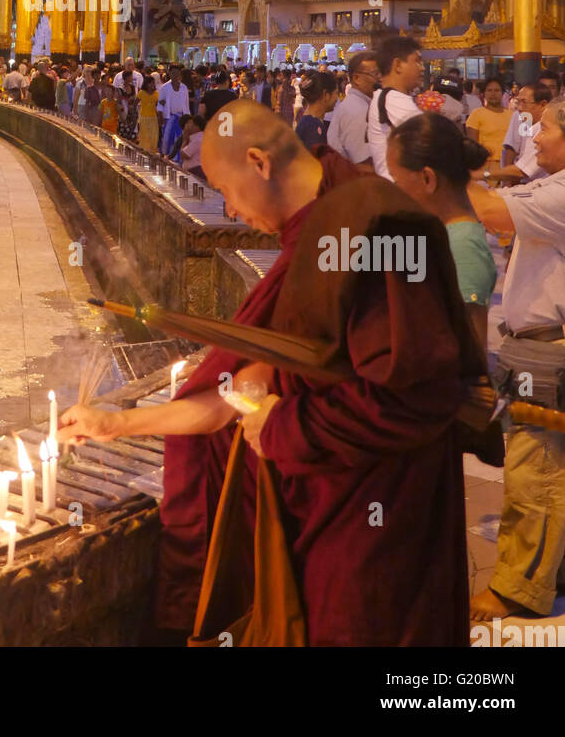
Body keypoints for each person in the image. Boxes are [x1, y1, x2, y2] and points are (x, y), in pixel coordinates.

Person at [60, 100, 482, 646]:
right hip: (318, 508)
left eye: (225, 189)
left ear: (258, 162)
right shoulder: (317, 233)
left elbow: (416, 401)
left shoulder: (374, 223)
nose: (230, 212)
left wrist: (283, 426)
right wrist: (114, 425)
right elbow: (240, 391)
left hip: (375, 523)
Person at [466, 98, 565, 622]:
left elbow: (488, 211)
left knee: (536, 469)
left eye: (544, 128)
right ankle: (553, 569)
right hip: (541, 344)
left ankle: (515, 591)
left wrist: (444, 167)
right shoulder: (554, 186)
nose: (535, 137)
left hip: (550, 350)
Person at [386, 113, 496, 348]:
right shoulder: (443, 234)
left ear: (428, 179)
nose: (393, 191)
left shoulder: (463, 246)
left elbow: (472, 352)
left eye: (396, 180)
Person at [367, 35, 423, 178]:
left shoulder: (387, 96)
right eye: (417, 61)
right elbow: (431, 139)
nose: (422, 68)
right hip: (400, 189)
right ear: (397, 65)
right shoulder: (393, 99)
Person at [326, 50, 378, 167]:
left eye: (382, 74)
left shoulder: (357, 105)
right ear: (356, 78)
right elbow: (363, 164)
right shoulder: (359, 111)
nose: (380, 79)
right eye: (375, 74)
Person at [498, 82, 550, 184]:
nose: (520, 108)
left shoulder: (546, 132)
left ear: (543, 105)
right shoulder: (526, 123)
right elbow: (510, 148)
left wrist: (484, 174)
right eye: (518, 102)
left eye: (524, 102)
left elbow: (521, 172)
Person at [465, 77, 511, 165]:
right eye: (489, 90)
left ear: (502, 93)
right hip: (486, 164)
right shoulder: (476, 114)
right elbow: (473, 146)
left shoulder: (512, 115)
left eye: (497, 90)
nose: (493, 94)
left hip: (508, 164)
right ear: (484, 94)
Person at [294, 70, 338, 149]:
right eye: (336, 93)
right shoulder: (313, 127)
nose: (337, 99)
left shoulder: (309, 122)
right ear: (326, 95)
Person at [157, 65, 191, 156]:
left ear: (180, 74)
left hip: (181, 119)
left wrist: (188, 119)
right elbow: (160, 105)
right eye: (173, 73)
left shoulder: (184, 88)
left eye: (177, 73)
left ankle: (177, 160)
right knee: (167, 140)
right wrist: (160, 117)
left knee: (180, 141)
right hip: (168, 118)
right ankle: (166, 158)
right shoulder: (164, 88)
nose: (175, 75)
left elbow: (186, 105)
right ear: (169, 73)